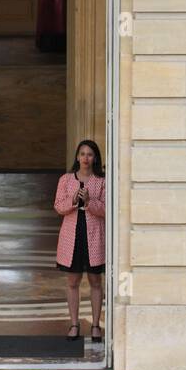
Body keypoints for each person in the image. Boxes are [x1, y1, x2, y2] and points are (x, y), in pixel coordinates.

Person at [55, 140, 107, 342]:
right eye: (82, 154)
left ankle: (95, 325)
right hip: (72, 237)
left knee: (95, 281)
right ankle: (74, 323)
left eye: (90, 154)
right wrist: (74, 200)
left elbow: (106, 210)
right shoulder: (66, 180)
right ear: (77, 157)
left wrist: (89, 201)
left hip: (94, 236)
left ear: (95, 158)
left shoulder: (102, 181)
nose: (86, 158)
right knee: (72, 281)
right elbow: (59, 207)